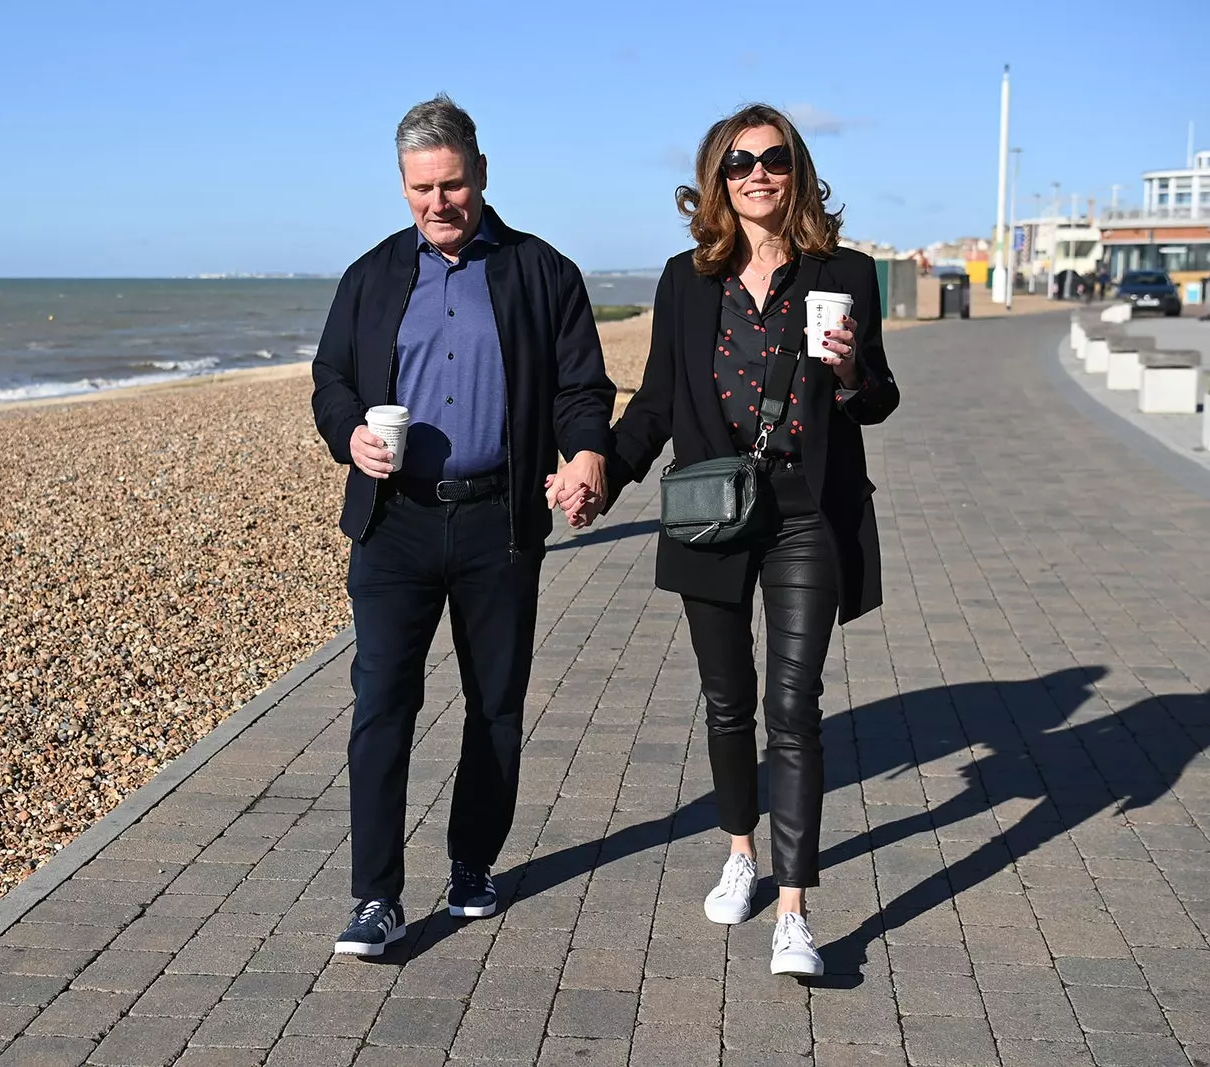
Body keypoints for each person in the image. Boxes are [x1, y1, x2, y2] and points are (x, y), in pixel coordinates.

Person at [551, 103, 900, 976]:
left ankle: (795, 910)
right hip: (713, 510)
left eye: (773, 159)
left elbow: (881, 398)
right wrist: (601, 471)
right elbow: (659, 404)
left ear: (797, 169)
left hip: (807, 514)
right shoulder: (685, 280)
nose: (757, 174)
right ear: (718, 178)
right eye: (739, 161)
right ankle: (741, 853)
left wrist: (852, 370)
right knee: (727, 701)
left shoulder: (846, 273)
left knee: (794, 707)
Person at [311, 94, 614, 957]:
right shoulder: (370, 276)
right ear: (402, 186)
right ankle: (376, 896)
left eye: (451, 185)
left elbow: (582, 389)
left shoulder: (541, 271)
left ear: (480, 174)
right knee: (382, 707)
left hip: (499, 524)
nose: (437, 204)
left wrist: (586, 454)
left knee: (495, 707)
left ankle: (472, 862)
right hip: (394, 523)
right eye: (420, 189)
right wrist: (351, 436)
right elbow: (330, 380)